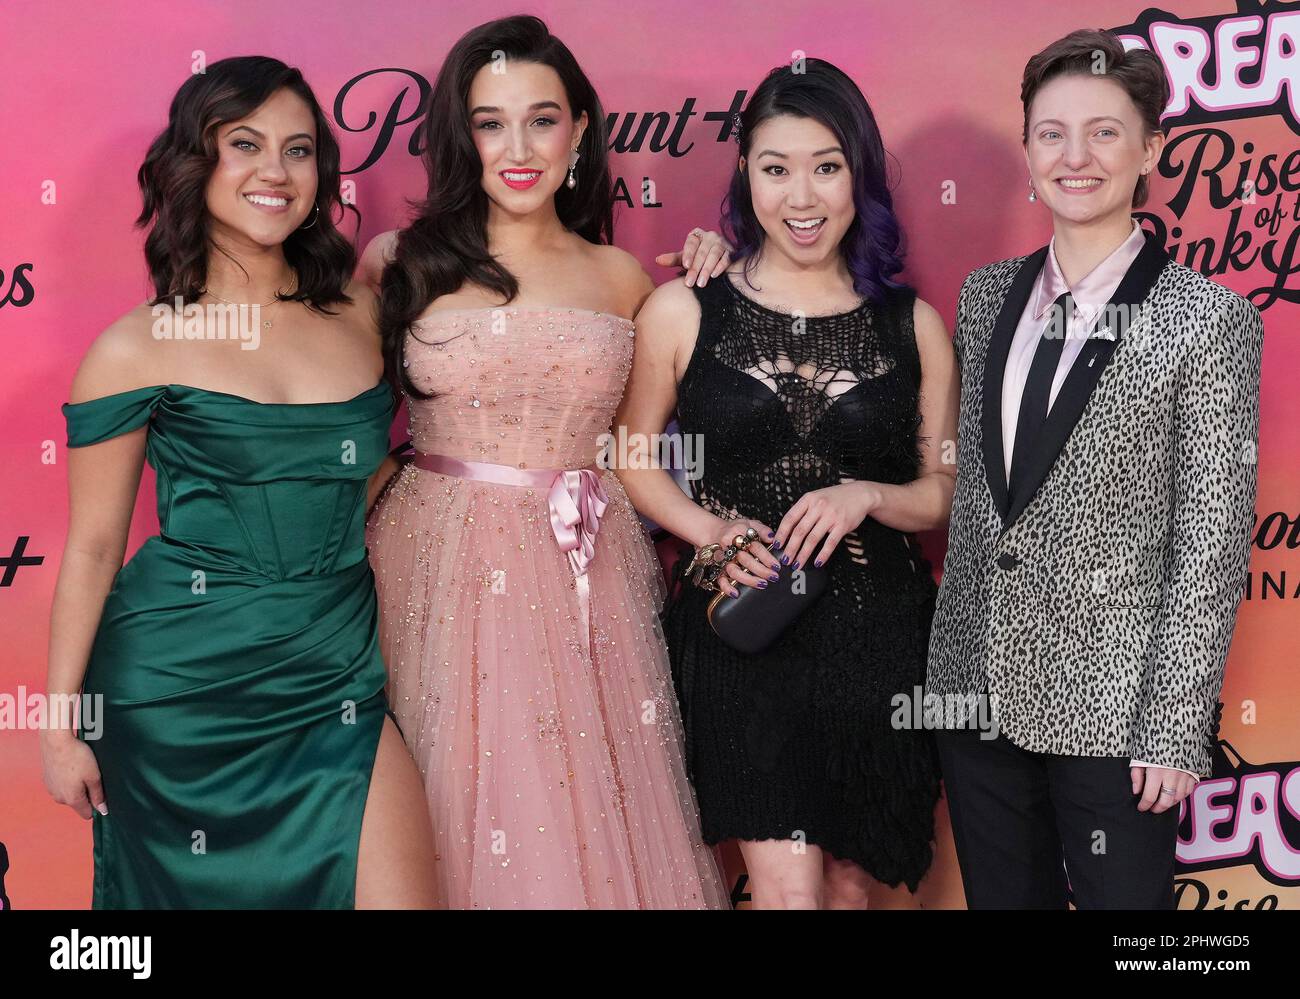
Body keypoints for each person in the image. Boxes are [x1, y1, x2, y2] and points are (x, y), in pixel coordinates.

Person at [41, 56, 438, 908]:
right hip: (177, 690)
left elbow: (368, 478)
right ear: (197, 162)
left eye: (299, 150)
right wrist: (59, 725)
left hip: (333, 676)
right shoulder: (133, 347)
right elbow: (95, 546)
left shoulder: (364, 311)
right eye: (245, 144)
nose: (275, 171)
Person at [363, 15, 728, 908]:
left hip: (588, 562)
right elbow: (340, 423)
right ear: (460, 136)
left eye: (541, 119)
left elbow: (665, 428)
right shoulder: (400, 264)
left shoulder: (627, 278)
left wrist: (727, 264)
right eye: (490, 123)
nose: (517, 148)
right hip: (434, 560)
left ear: (582, 131)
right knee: (453, 784)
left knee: (583, 794)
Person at [924, 28, 1264, 909]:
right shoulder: (986, 293)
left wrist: (1176, 723)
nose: (1075, 157)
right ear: (1029, 150)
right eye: (1051, 133)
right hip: (976, 689)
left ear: (1150, 147)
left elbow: (1213, 541)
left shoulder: (1209, 319)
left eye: (1105, 132)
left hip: (1118, 712)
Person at [615, 58, 958, 909]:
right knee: (788, 889)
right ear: (746, 173)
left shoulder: (913, 325)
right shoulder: (685, 309)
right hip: (747, 629)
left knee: (851, 887)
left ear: (858, 175)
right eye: (776, 169)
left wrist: (866, 496)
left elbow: (939, 491)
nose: (801, 197)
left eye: (826, 167)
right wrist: (710, 533)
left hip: (878, 636)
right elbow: (626, 454)